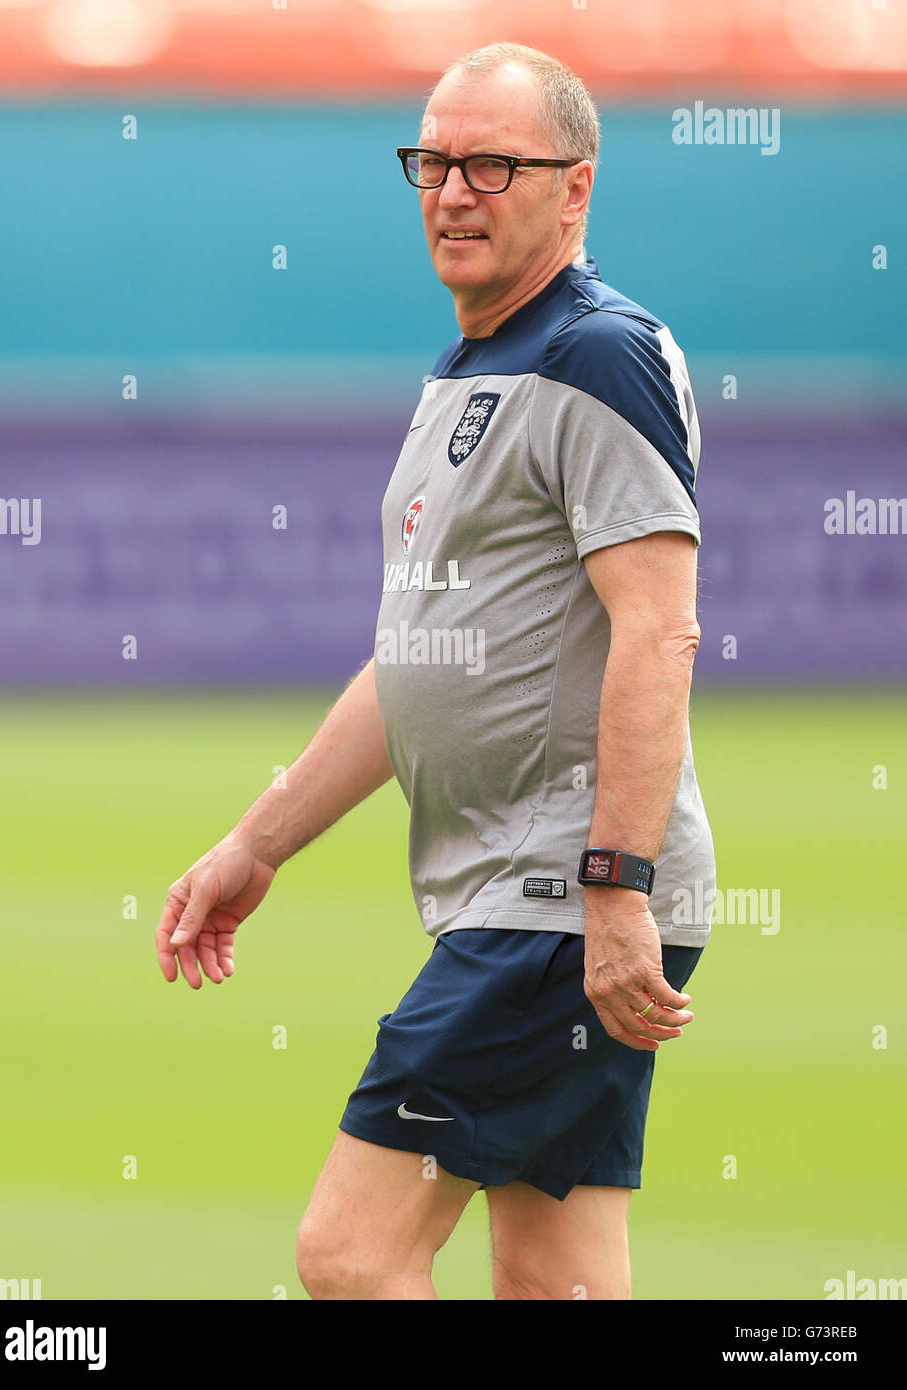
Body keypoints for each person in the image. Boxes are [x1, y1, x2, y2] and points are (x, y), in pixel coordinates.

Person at [156, 41, 716, 1301]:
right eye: (433, 161)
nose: (453, 190)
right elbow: (414, 664)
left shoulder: (597, 352)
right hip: (526, 899)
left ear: (573, 188)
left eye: (491, 164)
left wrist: (613, 887)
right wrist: (258, 843)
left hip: (556, 895)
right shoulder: (473, 366)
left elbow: (658, 630)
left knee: (351, 1255)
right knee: (557, 1278)